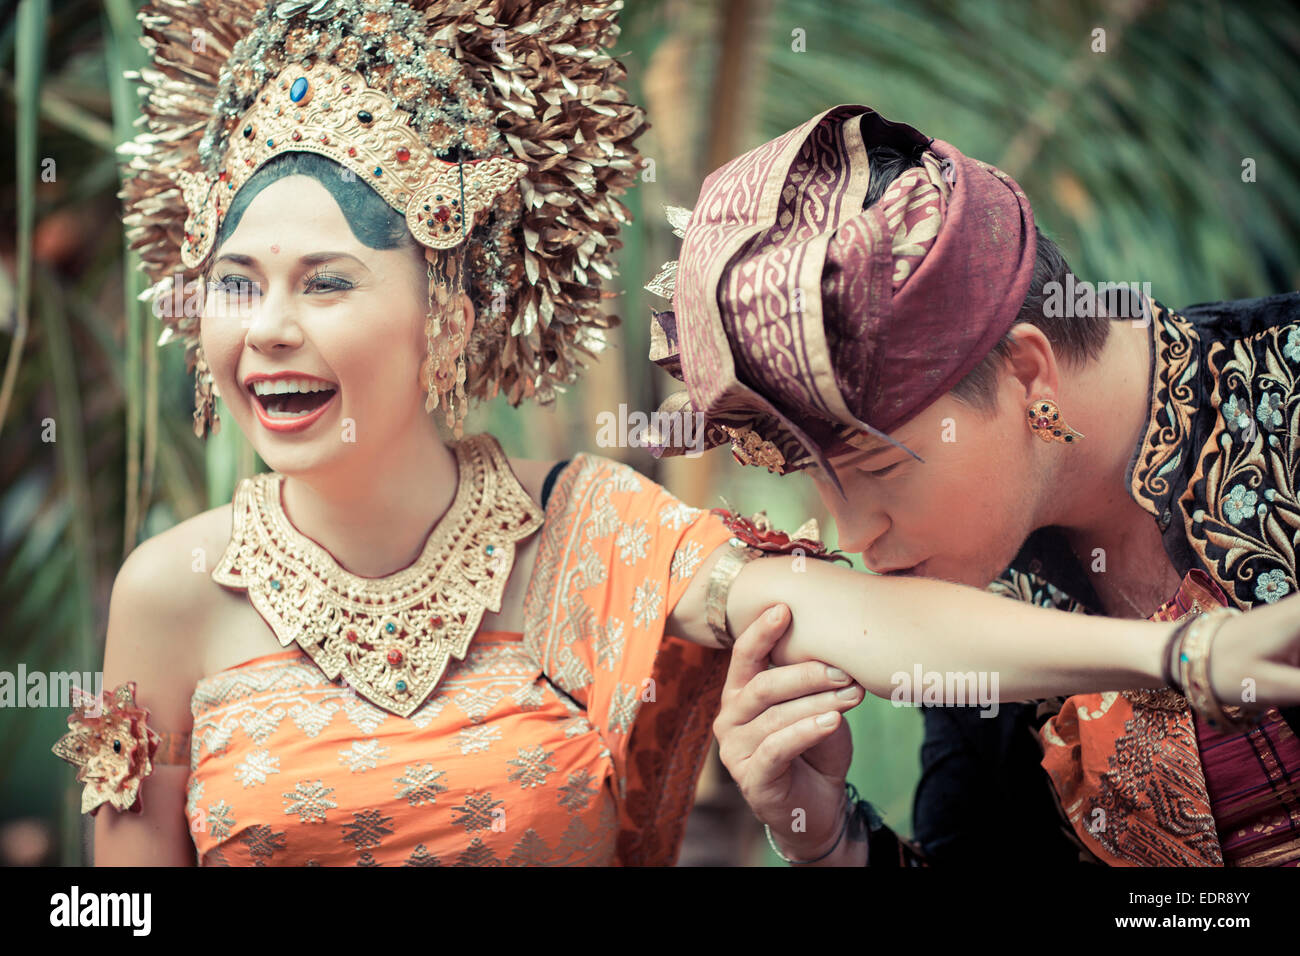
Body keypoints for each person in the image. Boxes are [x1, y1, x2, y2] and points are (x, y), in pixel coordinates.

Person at [54, 6, 1300, 867]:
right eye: (235, 281)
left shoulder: (586, 533)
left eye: (324, 281)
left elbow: (841, 614)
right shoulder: (165, 594)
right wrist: (818, 829)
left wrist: (1187, 653)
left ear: (448, 311)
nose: (265, 328)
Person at [650, 103, 1300, 866]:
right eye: (815, 481)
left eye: (880, 468)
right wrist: (828, 837)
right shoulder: (969, 596)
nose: (852, 539)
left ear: (1028, 371)